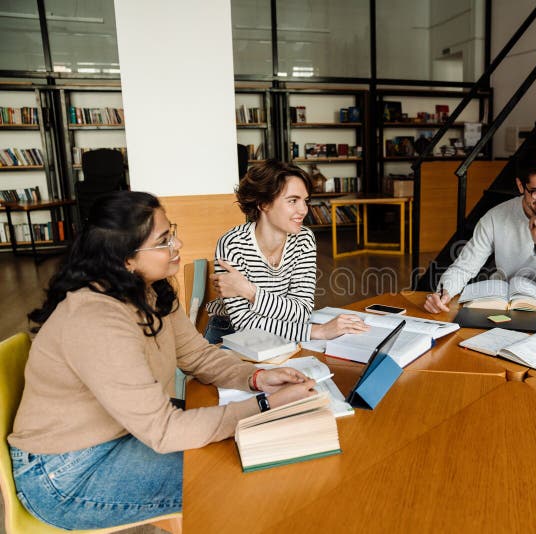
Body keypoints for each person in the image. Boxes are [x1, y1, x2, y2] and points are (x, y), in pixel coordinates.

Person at [8, 191, 318, 530]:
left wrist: (256, 378)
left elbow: (198, 356)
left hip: (124, 431)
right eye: (163, 241)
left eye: (172, 232)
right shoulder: (96, 319)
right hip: (66, 473)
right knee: (237, 469)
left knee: (249, 448)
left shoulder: (149, 290)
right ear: (125, 259)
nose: (178, 244)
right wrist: (263, 405)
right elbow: (163, 430)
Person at [204, 160, 367, 344]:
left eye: (305, 201)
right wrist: (318, 331)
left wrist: (250, 292)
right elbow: (244, 323)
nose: (303, 210)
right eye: (292, 201)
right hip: (229, 333)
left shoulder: (304, 239)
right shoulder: (233, 244)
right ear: (264, 204)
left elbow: (302, 311)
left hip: (287, 328)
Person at [424, 145, 536, 313]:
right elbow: (464, 267)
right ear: (520, 186)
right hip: (503, 306)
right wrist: (444, 293)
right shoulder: (495, 217)